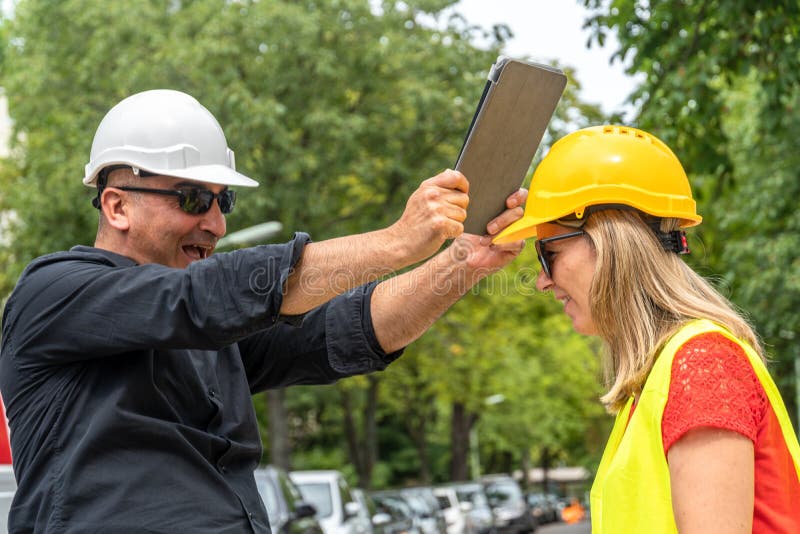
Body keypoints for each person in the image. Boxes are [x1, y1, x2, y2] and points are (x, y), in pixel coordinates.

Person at [0, 89, 527, 533]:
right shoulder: (53, 294)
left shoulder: (210, 334)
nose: (216, 225)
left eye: (221, 202)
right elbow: (200, 298)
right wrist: (396, 242)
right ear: (117, 206)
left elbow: (345, 331)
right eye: (192, 200)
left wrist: (462, 263)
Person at [494, 125, 800, 533]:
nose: (541, 281)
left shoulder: (701, 365)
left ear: (610, 242)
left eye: (549, 253)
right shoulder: (663, 374)